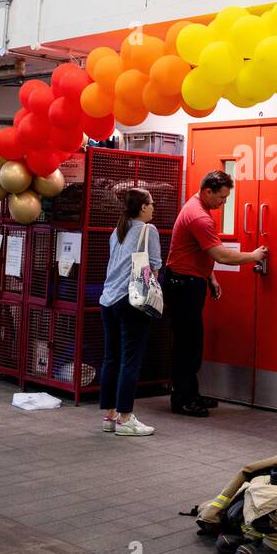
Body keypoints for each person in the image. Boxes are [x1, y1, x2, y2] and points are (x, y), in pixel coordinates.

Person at [163, 169, 266, 417]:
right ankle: (182, 400)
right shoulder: (199, 216)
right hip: (183, 284)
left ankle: (191, 393)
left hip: (189, 280)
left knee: (192, 342)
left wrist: (210, 276)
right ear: (208, 191)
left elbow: (197, 251)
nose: (224, 203)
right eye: (221, 198)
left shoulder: (197, 204)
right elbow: (220, 254)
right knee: (188, 344)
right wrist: (253, 256)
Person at [98, 187, 162, 436]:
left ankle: (110, 415)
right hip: (132, 300)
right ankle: (126, 418)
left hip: (108, 299)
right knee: (130, 361)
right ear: (143, 207)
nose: (154, 208)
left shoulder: (118, 231)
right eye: (152, 204)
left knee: (111, 358)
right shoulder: (149, 230)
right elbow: (155, 267)